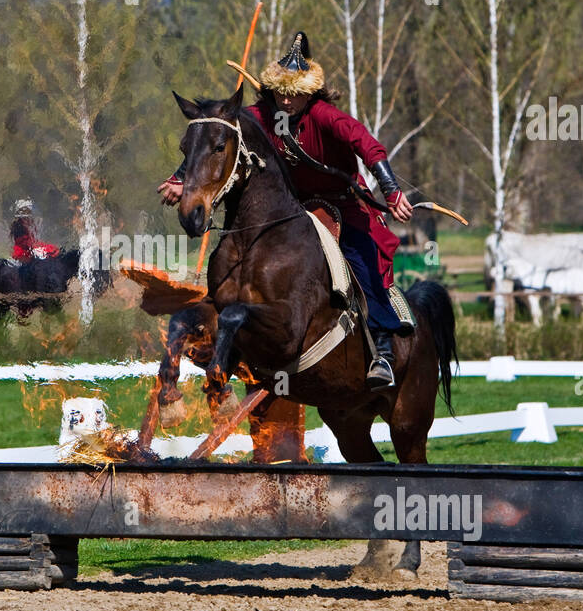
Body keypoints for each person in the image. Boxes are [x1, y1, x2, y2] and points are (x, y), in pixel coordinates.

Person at [158, 31, 414, 389]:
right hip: (293, 207)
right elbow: (213, 138)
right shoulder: (259, 114)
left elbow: (367, 145)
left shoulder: (326, 116)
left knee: (361, 258)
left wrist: (391, 190)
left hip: (343, 208)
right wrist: (181, 178)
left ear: (310, 93)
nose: (287, 100)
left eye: (295, 94)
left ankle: (383, 349)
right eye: (281, 92)